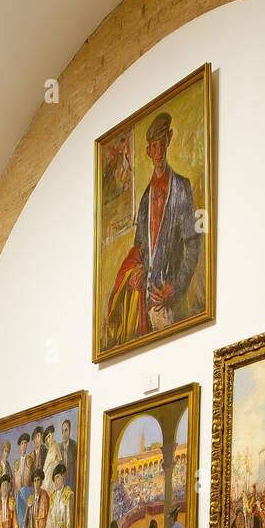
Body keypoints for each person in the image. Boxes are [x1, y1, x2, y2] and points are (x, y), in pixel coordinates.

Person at [103, 111, 201, 350]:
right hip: (144, 306)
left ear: (169, 139)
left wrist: (176, 288)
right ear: (148, 151)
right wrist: (137, 270)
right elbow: (141, 248)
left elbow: (193, 244)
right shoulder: (145, 198)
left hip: (169, 302)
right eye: (152, 147)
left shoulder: (182, 188)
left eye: (160, 145)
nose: (157, 153)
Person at [41, 424, 63, 496]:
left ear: (52, 434)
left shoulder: (55, 447)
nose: (48, 441)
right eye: (46, 440)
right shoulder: (49, 449)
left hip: (51, 481)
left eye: (49, 437)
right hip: (47, 481)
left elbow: (53, 466)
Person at [60, 419, 78, 493]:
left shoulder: (74, 445)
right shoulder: (59, 447)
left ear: (70, 431)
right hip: (63, 483)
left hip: (72, 482)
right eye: (62, 431)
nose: (64, 434)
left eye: (66, 430)